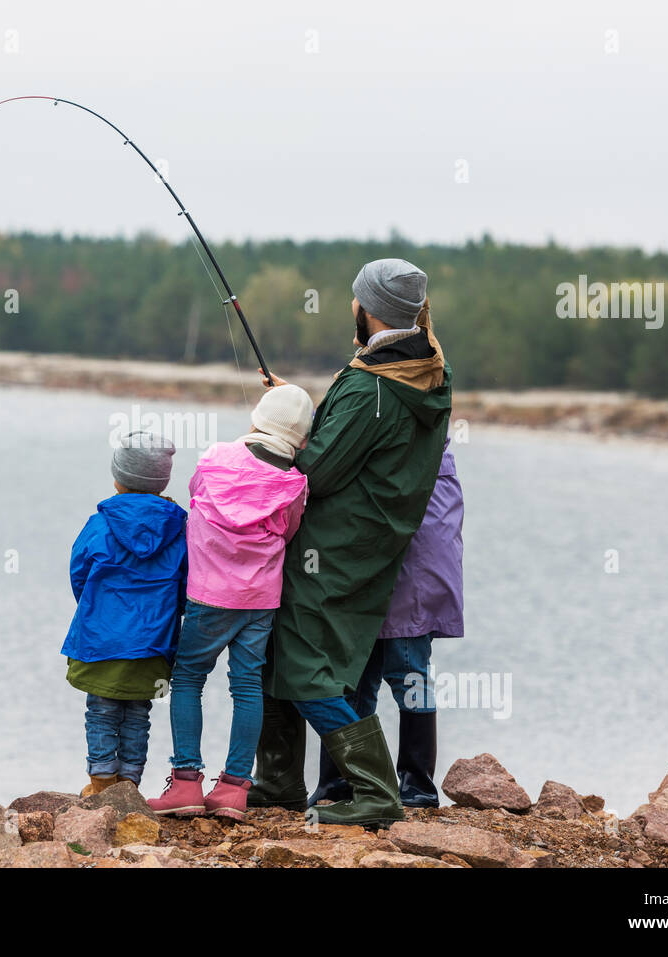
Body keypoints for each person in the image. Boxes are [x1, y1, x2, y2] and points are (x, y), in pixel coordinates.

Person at [253, 258, 452, 829]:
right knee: (279, 652)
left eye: (352, 301)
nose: (349, 309)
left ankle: (376, 791)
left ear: (367, 309)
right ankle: (279, 783)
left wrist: (283, 433)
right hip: (375, 545)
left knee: (299, 662)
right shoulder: (426, 370)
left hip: (333, 548)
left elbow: (317, 469)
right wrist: (303, 404)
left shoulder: (371, 386)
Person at [147, 385, 315, 821]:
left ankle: (185, 783)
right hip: (260, 599)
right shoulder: (295, 484)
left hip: (208, 595)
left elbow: (197, 496)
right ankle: (235, 789)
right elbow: (290, 531)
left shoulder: (215, 458)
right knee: (246, 685)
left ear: (258, 418)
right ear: (300, 439)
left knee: (187, 679)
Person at [307, 436, 464, 810]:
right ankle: (344, 782)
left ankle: (417, 784)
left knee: (407, 674)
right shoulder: (404, 426)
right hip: (374, 573)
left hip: (409, 576)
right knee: (353, 678)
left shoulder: (415, 443)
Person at [62, 430, 187, 796]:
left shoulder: (100, 524)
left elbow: (79, 574)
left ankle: (101, 781)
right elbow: (185, 583)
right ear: (161, 481)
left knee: (100, 709)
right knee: (138, 712)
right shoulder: (179, 528)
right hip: (154, 640)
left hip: (102, 636)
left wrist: (96, 609)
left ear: (117, 478)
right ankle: (129, 784)